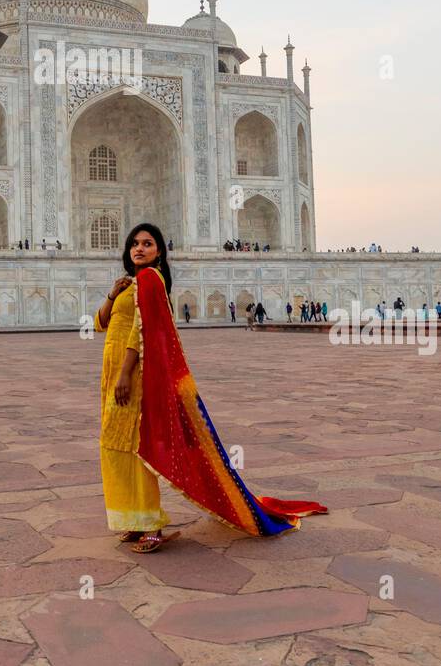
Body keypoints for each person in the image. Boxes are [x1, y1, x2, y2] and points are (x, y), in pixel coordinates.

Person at [91, 223, 327, 553]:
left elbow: (141, 333)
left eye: (147, 243)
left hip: (130, 377)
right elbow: (100, 323)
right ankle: (132, 519)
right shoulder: (130, 284)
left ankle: (151, 524)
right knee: (115, 448)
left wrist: (126, 374)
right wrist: (112, 293)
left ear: (160, 251)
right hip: (113, 374)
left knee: (135, 449)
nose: (139, 248)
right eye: (134, 243)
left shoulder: (150, 280)